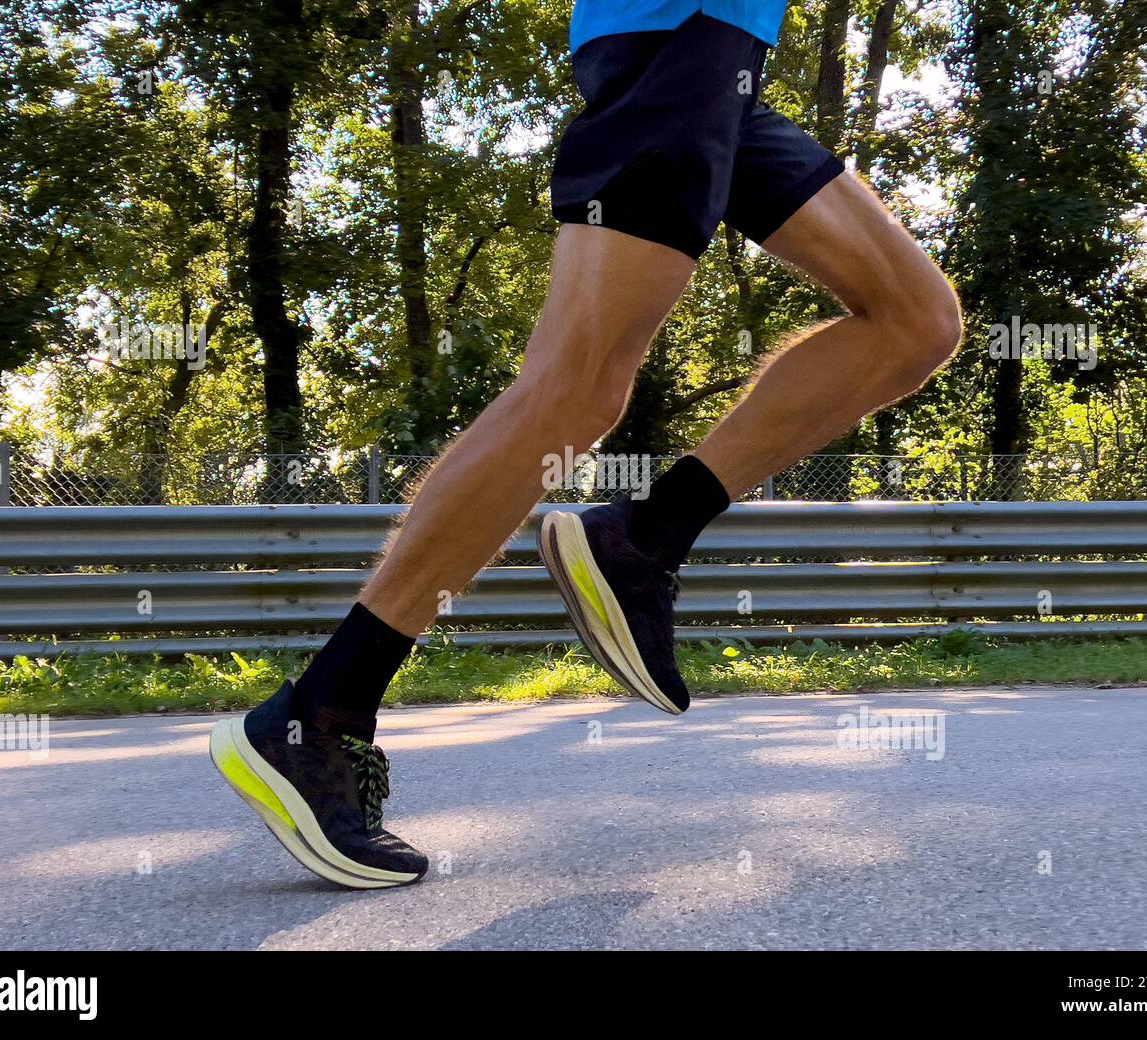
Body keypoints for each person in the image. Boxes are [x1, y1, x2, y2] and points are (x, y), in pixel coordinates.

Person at [210, 0, 963, 889]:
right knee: (575, 387)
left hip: (724, 64)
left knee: (917, 321)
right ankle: (323, 713)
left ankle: (646, 534)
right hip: (678, 42)